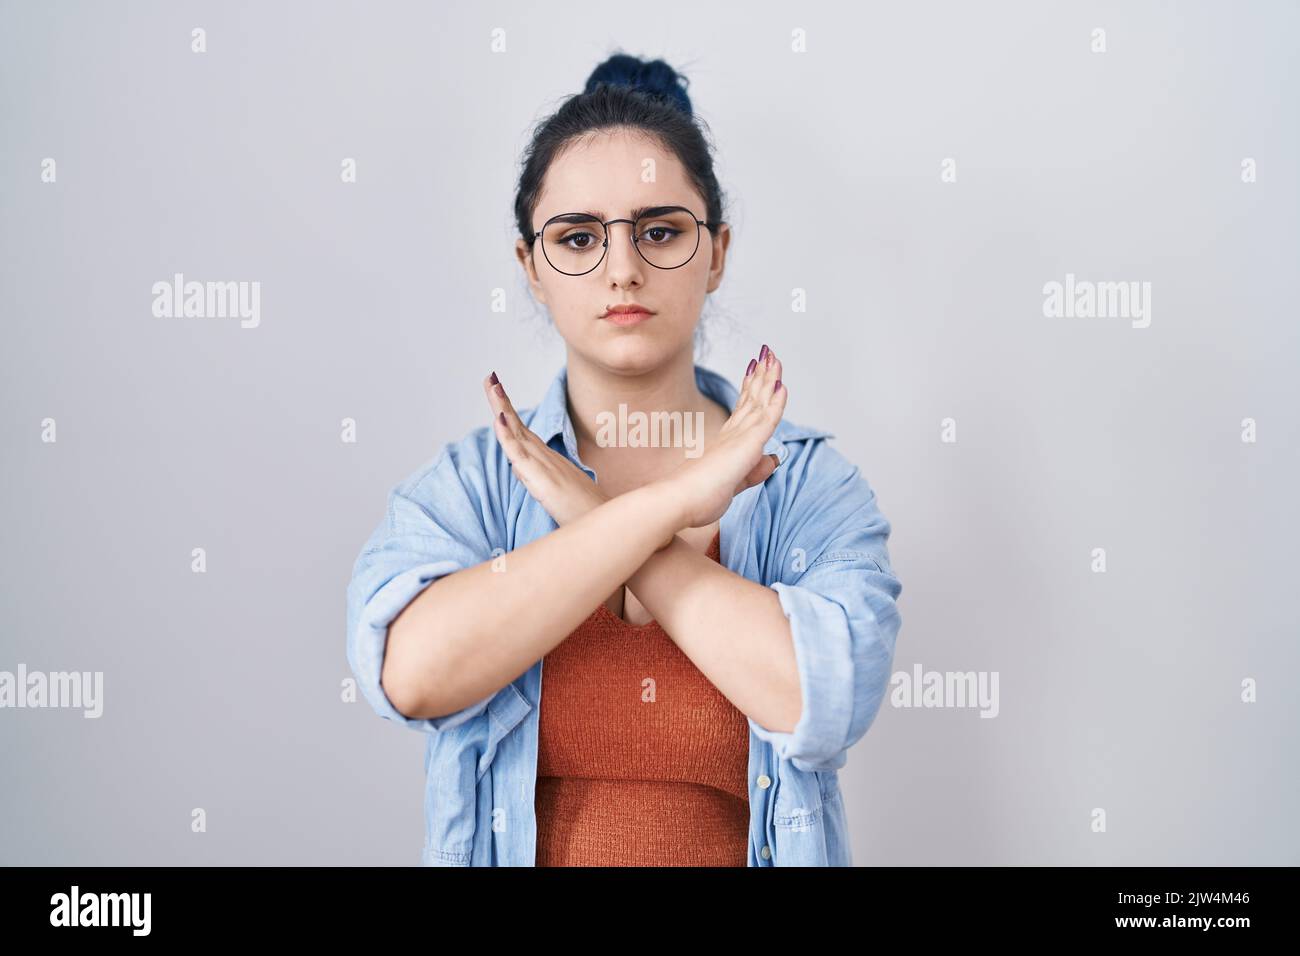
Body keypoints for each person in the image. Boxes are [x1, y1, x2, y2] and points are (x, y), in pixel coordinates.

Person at [346, 51, 903, 866]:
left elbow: (820, 698)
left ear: (716, 253)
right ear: (531, 269)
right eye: (577, 238)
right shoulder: (476, 482)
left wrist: (602, 520)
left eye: (661, 231)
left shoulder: (807, 485)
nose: (622, 269)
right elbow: (412, 675)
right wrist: (664, 510)